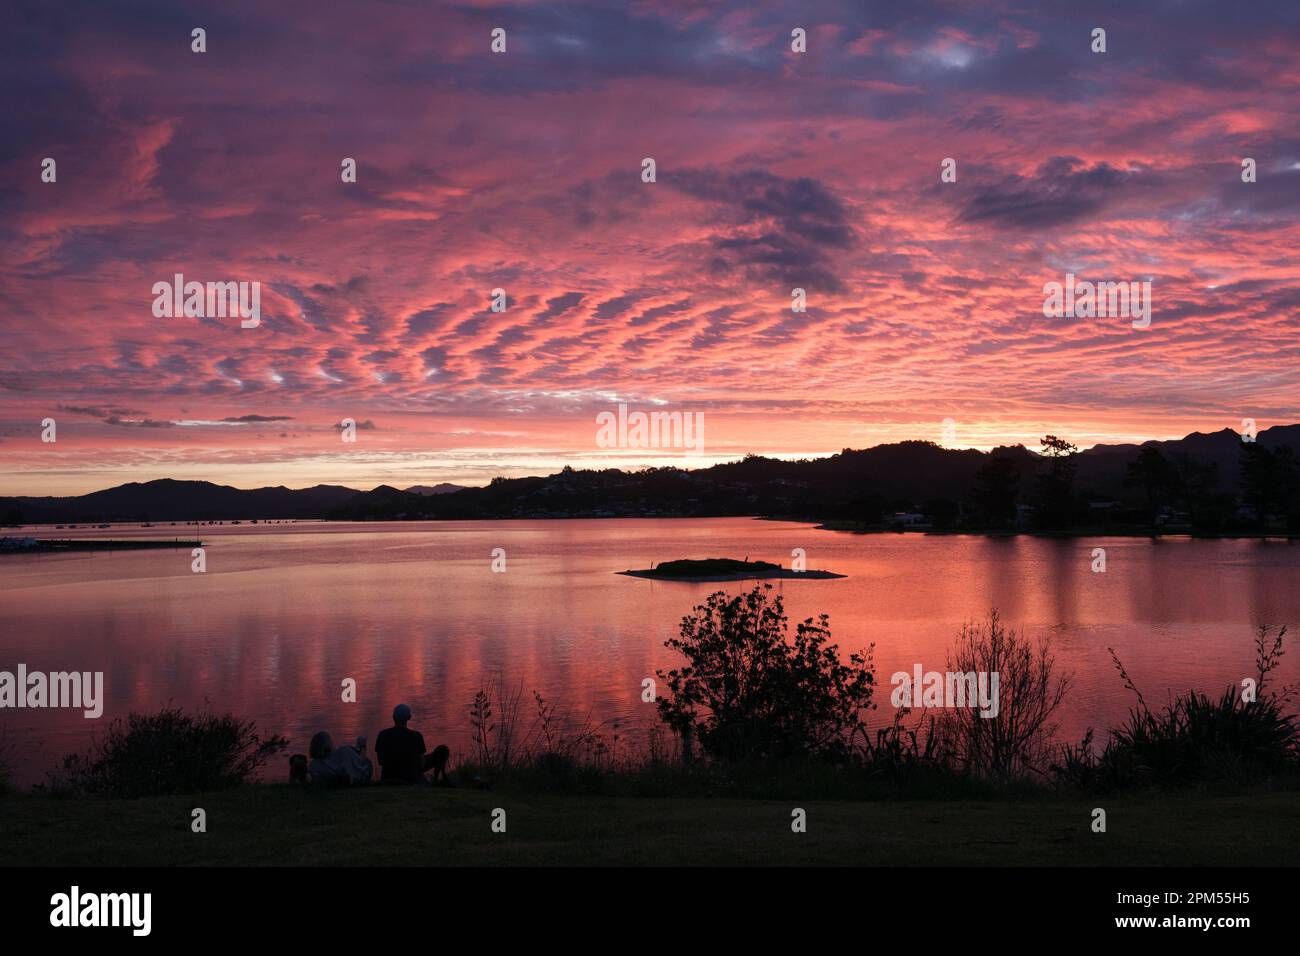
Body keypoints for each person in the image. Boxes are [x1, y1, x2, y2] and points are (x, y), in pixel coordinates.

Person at [375, 704, 448, 784]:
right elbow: (422, 764)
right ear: (409, 718)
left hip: (387, 777)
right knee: (442, 750)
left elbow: (380, 761)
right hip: (411, 778)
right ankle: (436, 780)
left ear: (393, 717)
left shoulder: (382, 735)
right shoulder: (416, 736)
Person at [307, 731, 373, 786]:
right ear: (327, 744)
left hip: (335, 783)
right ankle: (360, 745)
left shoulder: (313, 765)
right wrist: (363, 746)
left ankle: (358, 748)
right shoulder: (342, 752)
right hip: (356, 778)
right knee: (364, 763)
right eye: (330, 740)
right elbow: (361, 763)